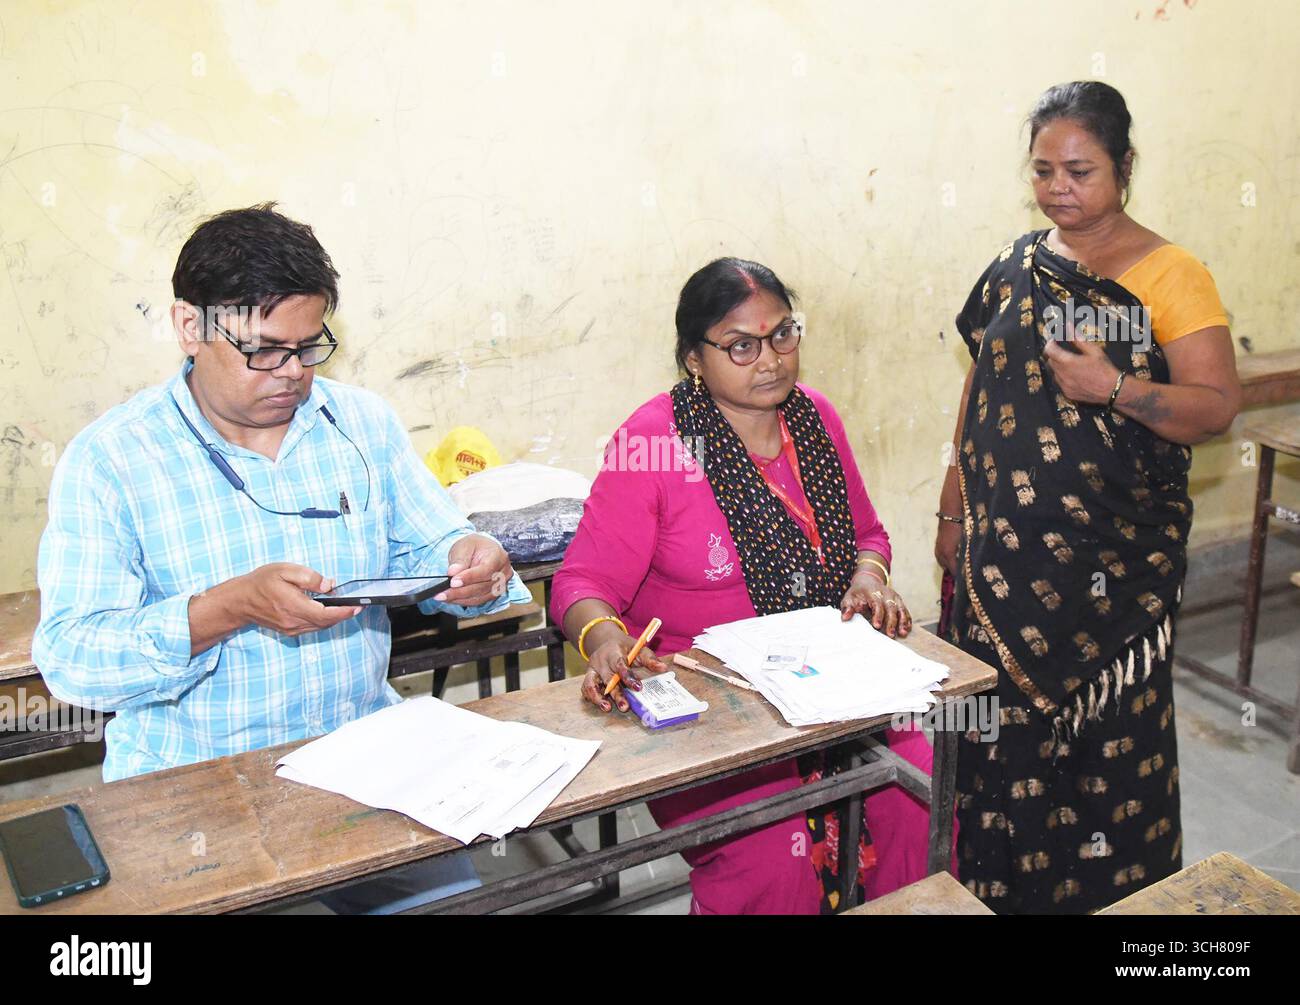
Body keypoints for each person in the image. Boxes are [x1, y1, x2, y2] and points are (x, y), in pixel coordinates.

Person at [34, 203, 532, 912]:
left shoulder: (357, 422)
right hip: (191, 790)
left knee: (456, 903)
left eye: (309, 346)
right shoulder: (111, 460)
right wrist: (225, 609)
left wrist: (474, 561)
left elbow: (434, 544)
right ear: (188, 327)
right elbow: (74, 662)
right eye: (264, 349)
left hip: (363, 759)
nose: (293, 373)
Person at [935, 82, 1241, 914]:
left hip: (1115, 581)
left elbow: (1216, 407)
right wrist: (953, 506)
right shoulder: (1016, 263)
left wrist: (1115, 388)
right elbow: (982, 392)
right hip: (1005, 571)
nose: (1059, 188)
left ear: (1125, 167)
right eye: (1043, 171)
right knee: (1000, 754)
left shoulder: (1174, 274)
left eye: (1081, 170)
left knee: (1110, 761)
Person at [552, 257, 935, 914]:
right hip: (709, 709)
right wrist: (607, 640)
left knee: (917, 797)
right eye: (741, 345)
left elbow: (868, 535)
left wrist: (869, 579)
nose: (771, 360)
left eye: (784, 334)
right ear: (695, 358)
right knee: (771, 854)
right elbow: (582, 581)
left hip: (826, 682)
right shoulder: (653, 443)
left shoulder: (816, 420)